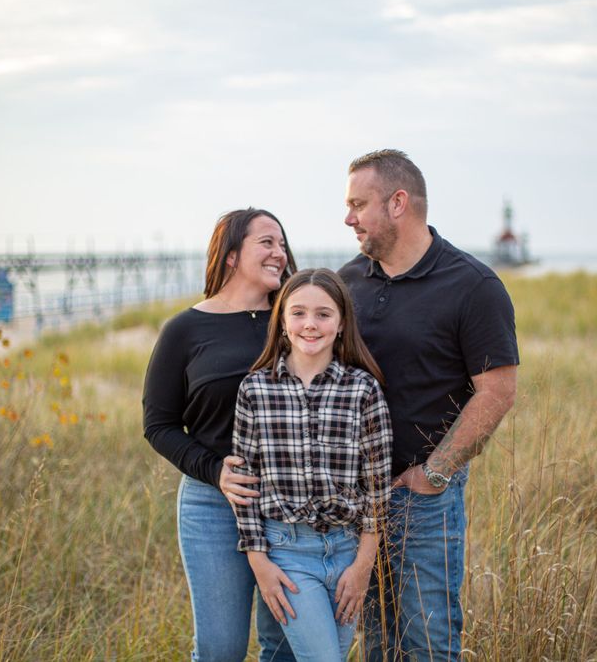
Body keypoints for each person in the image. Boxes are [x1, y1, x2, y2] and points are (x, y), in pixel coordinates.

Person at [340, 150, 519, 660]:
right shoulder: (348, 281)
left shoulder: (472, 286)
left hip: (425, 500)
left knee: (427, 642)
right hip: (360, 499)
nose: (348, 217)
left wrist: (435, 473)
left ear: (398, 203)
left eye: (358, 204)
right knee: (377, 640)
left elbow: (498, 392)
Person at [142, 207, 299, 662]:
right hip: (213, 507)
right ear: (231, 254)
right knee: (220, 649)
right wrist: (215, 471)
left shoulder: (296, 321)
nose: (279, 252)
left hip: (292, 506)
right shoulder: (185, 330)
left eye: (282, 243)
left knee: (287, 644)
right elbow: (158, 424)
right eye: (266, 242)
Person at [232, 268, 393, 662]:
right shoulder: (255, 389)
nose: (310, 324)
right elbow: (244, 483)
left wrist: (362, 567)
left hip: (346, 552)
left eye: (323, 314)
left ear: (340, 324)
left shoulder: (363, 389)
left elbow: (378, 485)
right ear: (283, 322)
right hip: (286, 551)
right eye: (298, 313)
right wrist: (259, 562)